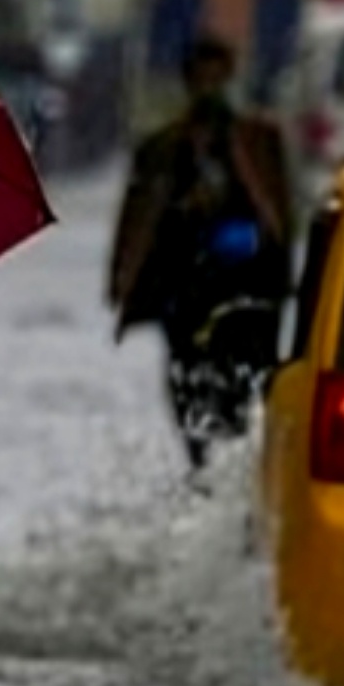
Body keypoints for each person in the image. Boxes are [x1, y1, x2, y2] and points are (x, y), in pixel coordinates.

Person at [109, 36, 296, 470]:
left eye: (216, 76)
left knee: (248, 376)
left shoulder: (256, 140)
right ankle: (200, 459)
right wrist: (125, 280)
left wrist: (278, 269)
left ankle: (240, 455)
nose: (209, 86)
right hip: (185, 284)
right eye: (201, 77)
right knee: (186, 375)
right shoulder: (163, 147)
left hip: (246, 281)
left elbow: (281, 213)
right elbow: (138, 216)